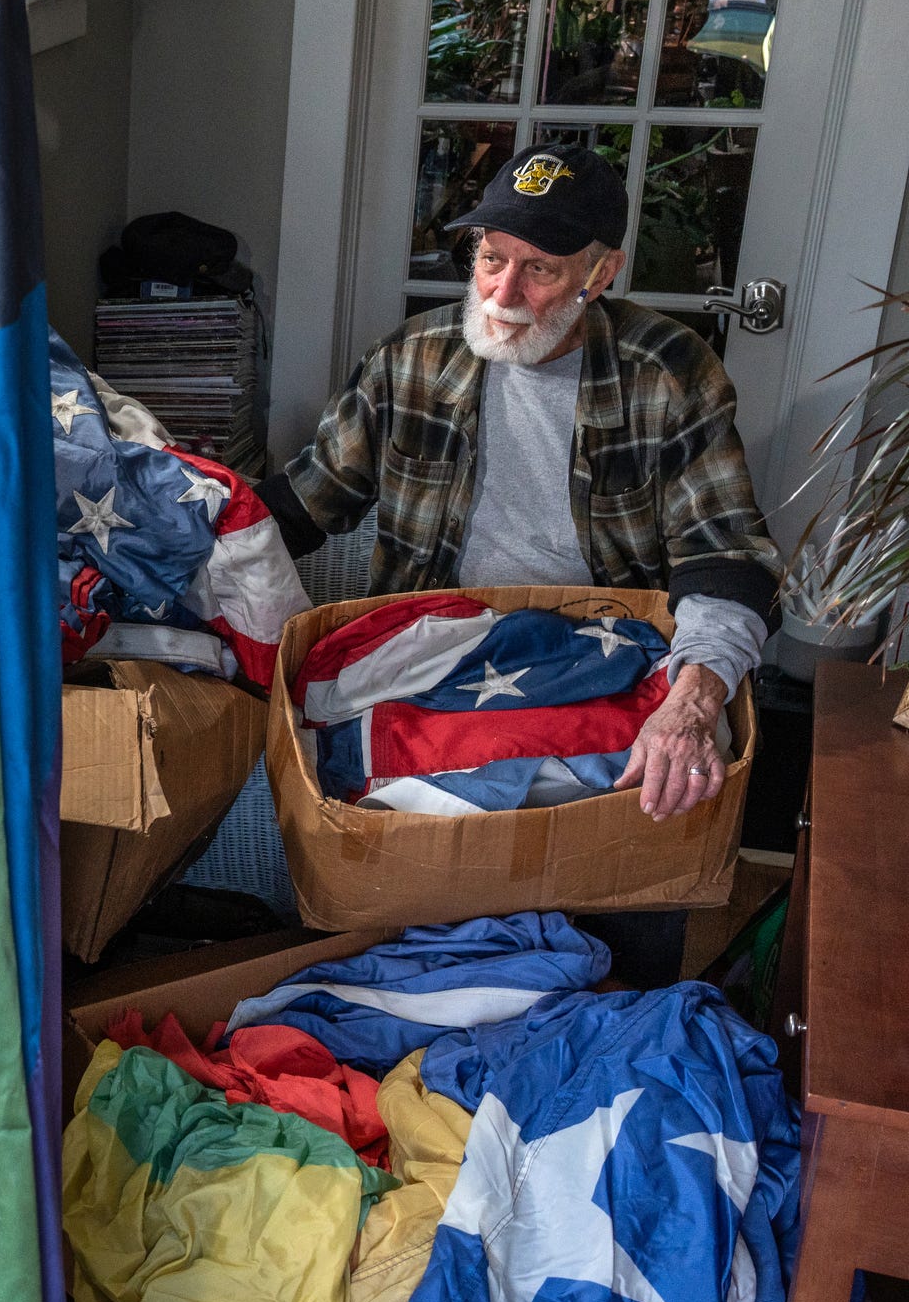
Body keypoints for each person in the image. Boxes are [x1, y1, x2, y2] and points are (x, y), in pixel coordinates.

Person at [256, 142, 778, 831]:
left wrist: (691, 702)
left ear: (602, 272)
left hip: (598, 661)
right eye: (492, 258)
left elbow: (726, 559)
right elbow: (299, 505)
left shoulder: (669, 371)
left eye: (539, 269)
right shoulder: (409, 360)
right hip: (435, 662)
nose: (502, 295)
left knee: (656, 807)